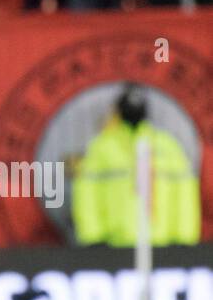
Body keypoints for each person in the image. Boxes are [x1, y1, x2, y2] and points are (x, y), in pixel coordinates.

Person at [71, 83, 200, 247]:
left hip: (163, 244)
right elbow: (86, 194)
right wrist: (92, 237)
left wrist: (184, 238)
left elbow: (185, 194)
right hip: (114, 245)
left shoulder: (168, 146)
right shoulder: (102, 147)